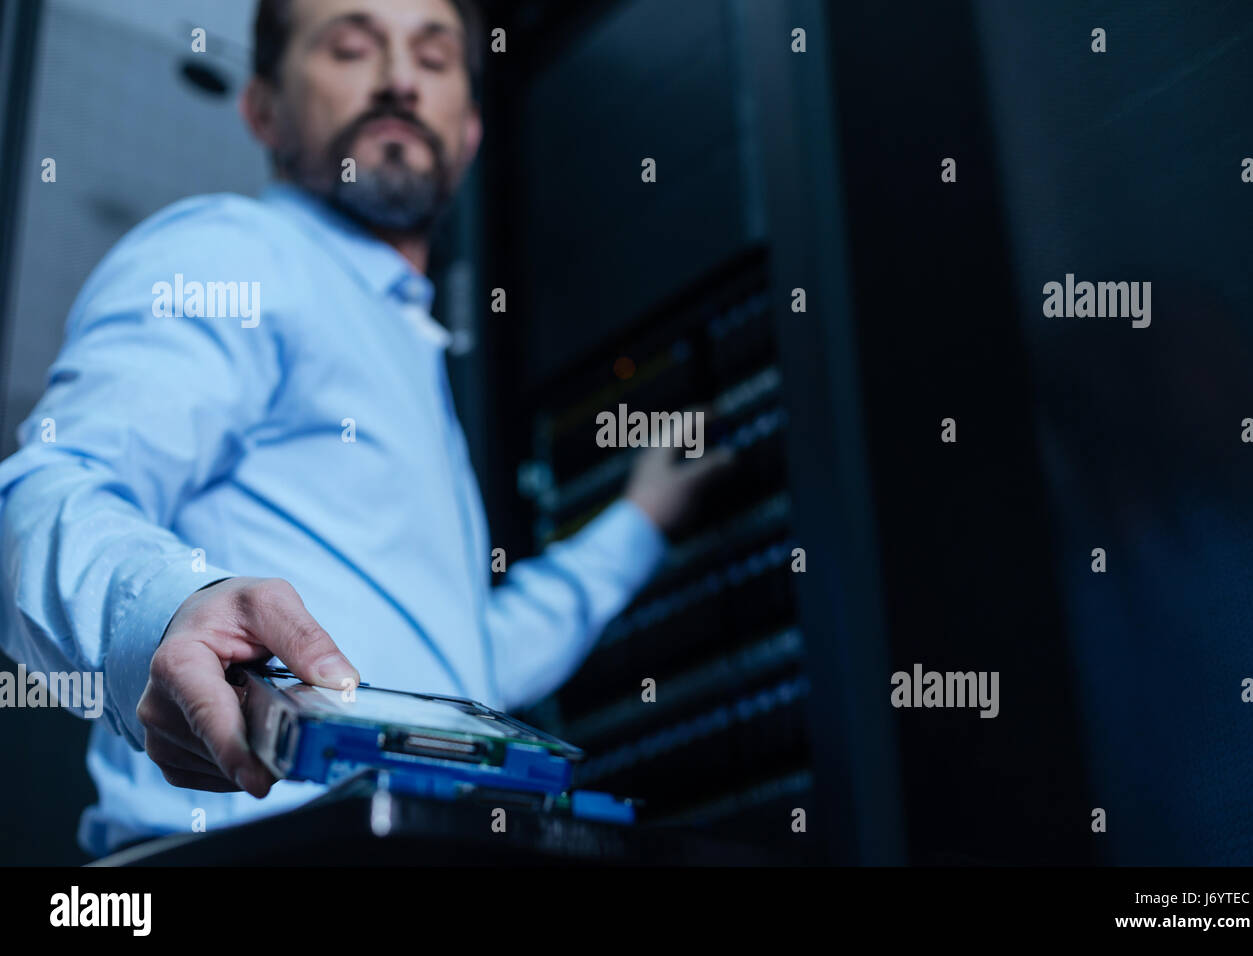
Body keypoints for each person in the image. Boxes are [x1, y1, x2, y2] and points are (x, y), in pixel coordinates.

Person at [0, 0, 728, 856]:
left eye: (433, 54)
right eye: (351, 46)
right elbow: (47, 488)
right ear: (262, 109)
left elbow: (467, 666)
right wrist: (162, 616)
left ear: (468, 131)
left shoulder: (408, 353)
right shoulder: (236, 254)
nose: (397, 78)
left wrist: (638, 525)